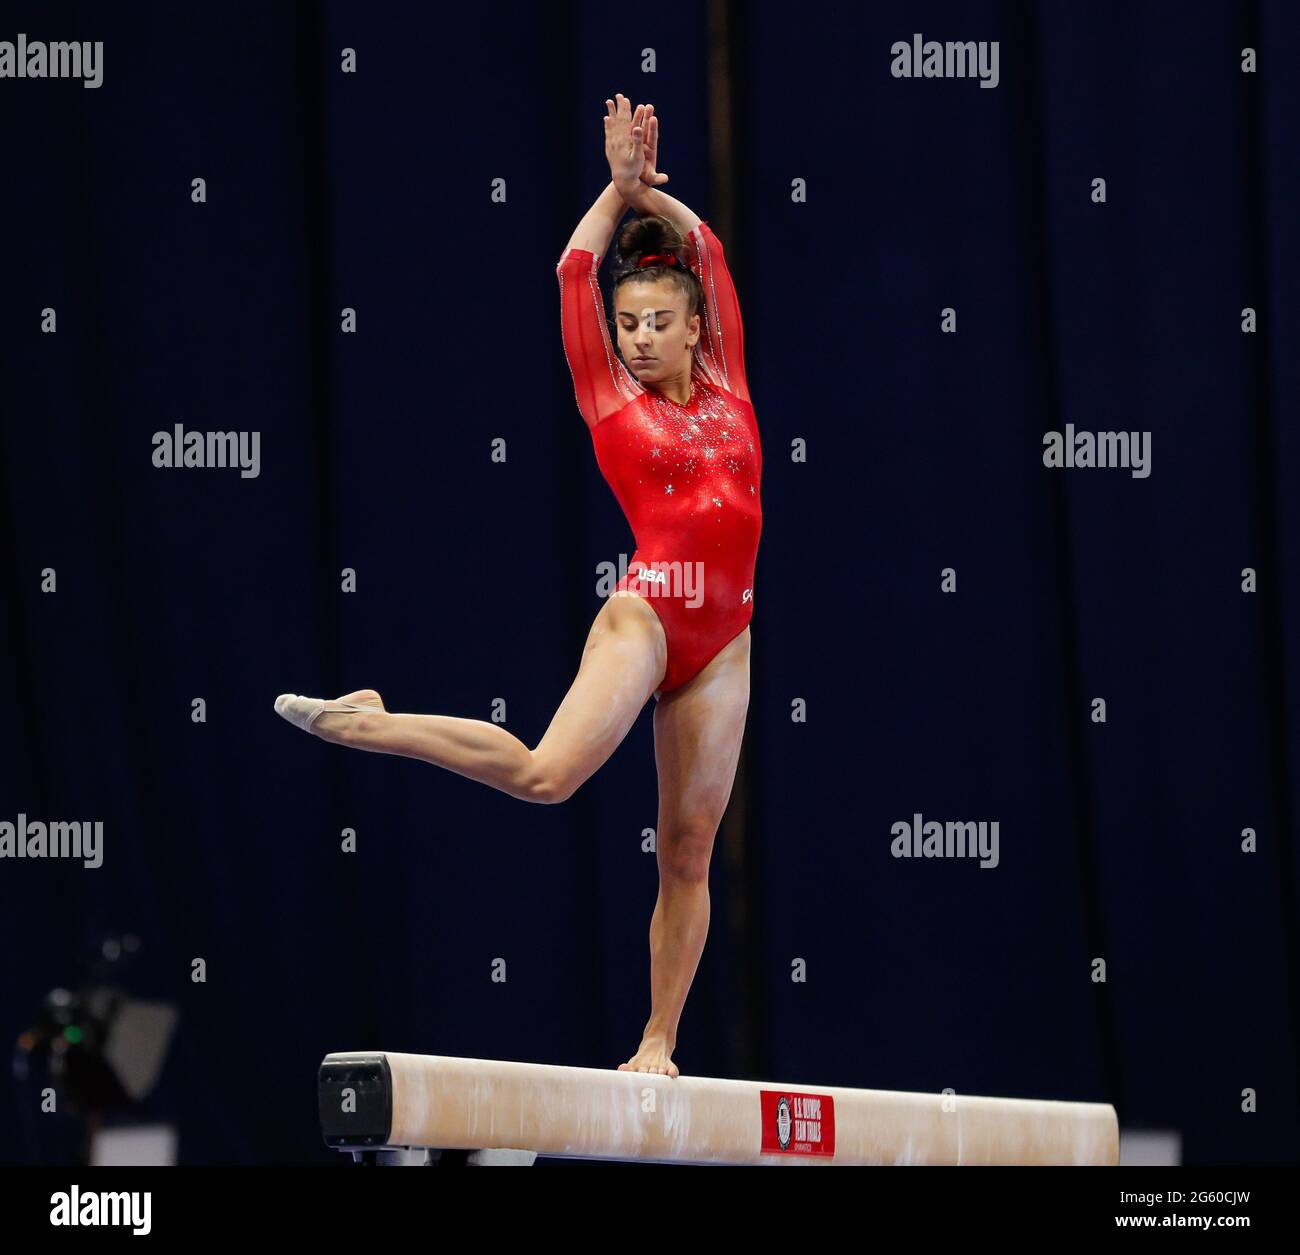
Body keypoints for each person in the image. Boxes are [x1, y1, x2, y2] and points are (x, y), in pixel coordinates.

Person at [275, 95, 761, 1078]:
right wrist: (613, 194)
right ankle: (374, 721)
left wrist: (653, 198)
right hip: (649, 617)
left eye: (658, 322)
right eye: (626, 324)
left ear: (695, 326)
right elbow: (573, 270)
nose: (636, 338)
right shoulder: (608, 397)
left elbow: (707, 256)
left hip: (728, 645)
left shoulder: (728, 380)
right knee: (547, 777)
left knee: (688, 851)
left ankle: (658, 1040)